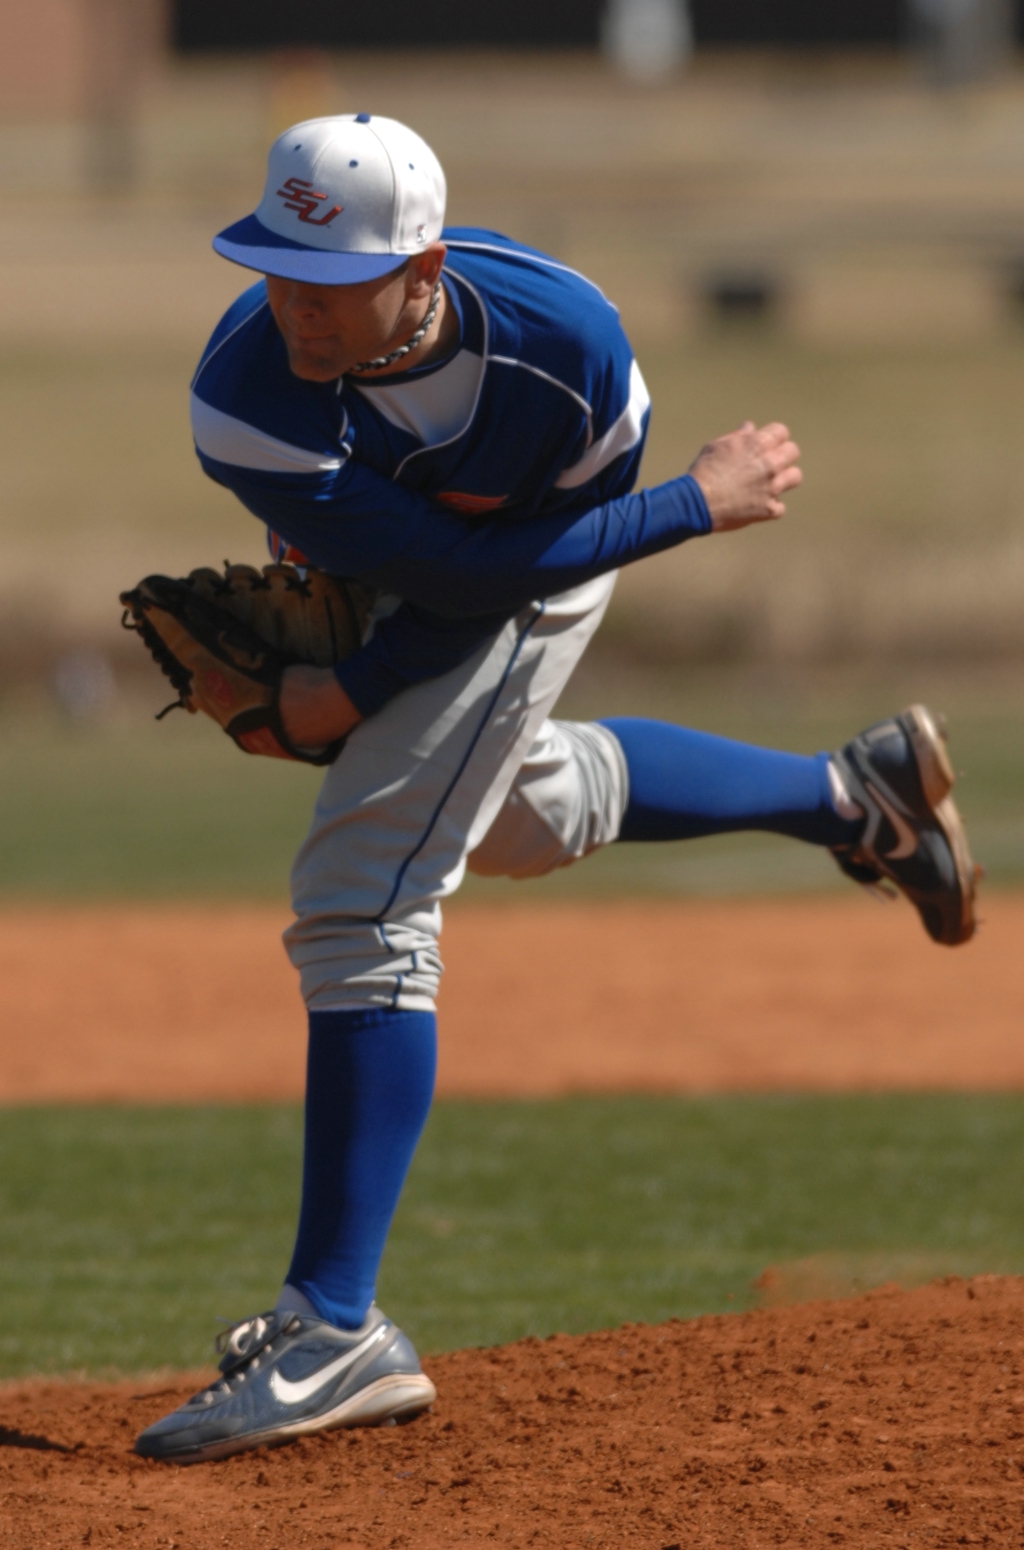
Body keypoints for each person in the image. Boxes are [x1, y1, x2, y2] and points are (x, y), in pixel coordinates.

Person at [135, 114, 977, 1463]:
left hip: (560, 546)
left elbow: (516, 574)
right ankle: (853, 793)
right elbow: (431, 576)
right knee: (513, 814)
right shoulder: (244, 398)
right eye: (276, 263)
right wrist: (358, 677)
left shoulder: (566, 349)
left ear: (424, 265)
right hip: (448, 566)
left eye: (331, 279)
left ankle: (334, 1322)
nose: (293, 302)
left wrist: (683, 506)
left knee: (364, 891)